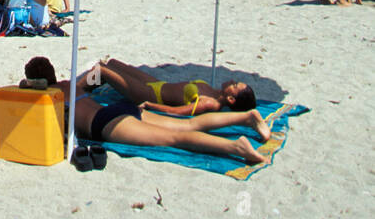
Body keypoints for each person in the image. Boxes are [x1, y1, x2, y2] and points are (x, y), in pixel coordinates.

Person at [22, 58, 270, 166]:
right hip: (117, 109)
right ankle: (245, 117)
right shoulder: (67, 85)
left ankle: (235, 147)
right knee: (186, 127)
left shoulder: (43, 99)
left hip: (105, 122)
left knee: (176, 139)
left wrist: (30, 86)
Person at [90, 57, 256, 114]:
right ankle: (90, 85)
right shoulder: (216, 92)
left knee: (103, 71)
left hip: (149, 95)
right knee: (113, 63)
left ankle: (78, 90)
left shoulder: (210, 103)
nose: (233, 80)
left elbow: (177, 111)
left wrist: (149, 105)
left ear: (231, 99)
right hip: (158, 84)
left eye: (235, 85)